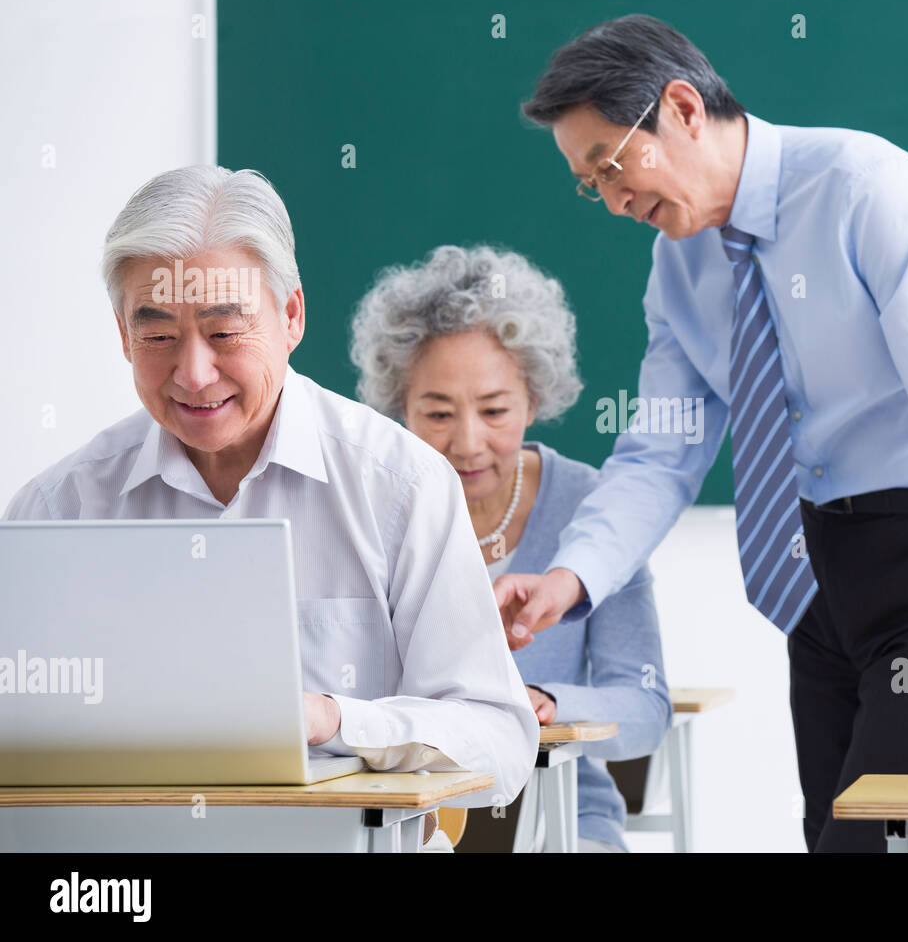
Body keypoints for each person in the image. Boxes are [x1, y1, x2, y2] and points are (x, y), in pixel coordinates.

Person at [496, 14, 908, 852]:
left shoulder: (869, 190)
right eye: (588, 183)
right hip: (813, 579)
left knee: (885, 838)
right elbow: (661, 450)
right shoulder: (680, 262)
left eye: (610, 165)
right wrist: (571, 577)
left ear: (681, 106)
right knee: (827, 832)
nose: (612, 200)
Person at [2, 166, 538, 821]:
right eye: (159, 335)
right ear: (122, 335)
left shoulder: (400, 486)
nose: (195, 375)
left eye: (225, 333)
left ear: (291, 316)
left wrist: (333, 720)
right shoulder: (59, 511)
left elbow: (500, 741)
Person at [350, 243, 672, 852]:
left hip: (564, 822)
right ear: (400, 408)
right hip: (402, 820)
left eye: (495, 410)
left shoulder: (594, 510)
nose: (469, 443)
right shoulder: (371, 506)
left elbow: (646, 706)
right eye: (438, 413)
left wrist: (548, 703)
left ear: (534, 397)